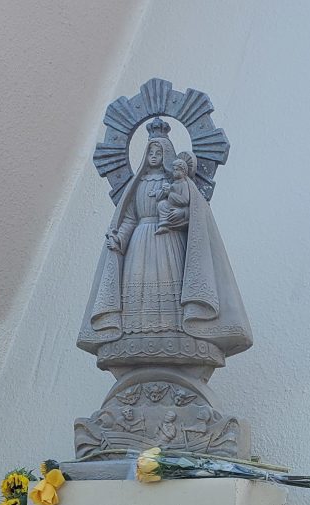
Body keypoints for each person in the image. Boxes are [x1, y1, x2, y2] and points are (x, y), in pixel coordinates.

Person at [78, 120, 252, 359]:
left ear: (167, 154)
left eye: (159, 151)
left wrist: (180, 215)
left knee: (169, 286)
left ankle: (175, 333)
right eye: (150, 151)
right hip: (139, 243)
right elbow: (129, 218)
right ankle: (137, 336)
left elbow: (194, 214)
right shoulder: (136, 185)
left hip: (168, 240)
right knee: (139, 287)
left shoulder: (177, 183)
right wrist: (119, 240)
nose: (153, 155)